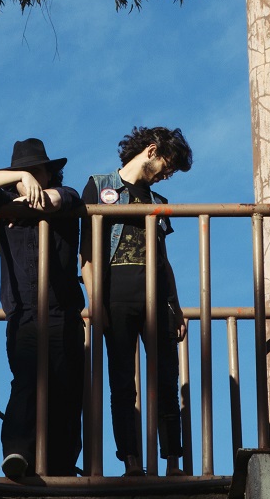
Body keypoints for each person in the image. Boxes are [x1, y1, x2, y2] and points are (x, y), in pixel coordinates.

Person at [81, 125, 193, 476]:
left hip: (157, 300)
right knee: (121, 383)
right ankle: (131, 461)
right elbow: (87, 256)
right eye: (167, 166)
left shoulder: (158, 201)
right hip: (116, 299)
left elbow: (164, 259)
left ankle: (172, 462)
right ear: (151, 150)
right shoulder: (100, 186)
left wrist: (176, 306)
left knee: (167, 379)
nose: (166, 175)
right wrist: (95, 303)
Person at [0, 138, 85, 480]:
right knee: (26, 380)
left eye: (37, 170)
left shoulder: (67, 194)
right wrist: (20, 179)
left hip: (62, 311)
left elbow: (52, 201)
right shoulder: (3, 202)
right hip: (22, 313)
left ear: (50, 174)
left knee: (66, 388)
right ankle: (17, 452)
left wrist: (23, 197)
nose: (31, 176)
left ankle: (62, 466)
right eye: (24, 171)